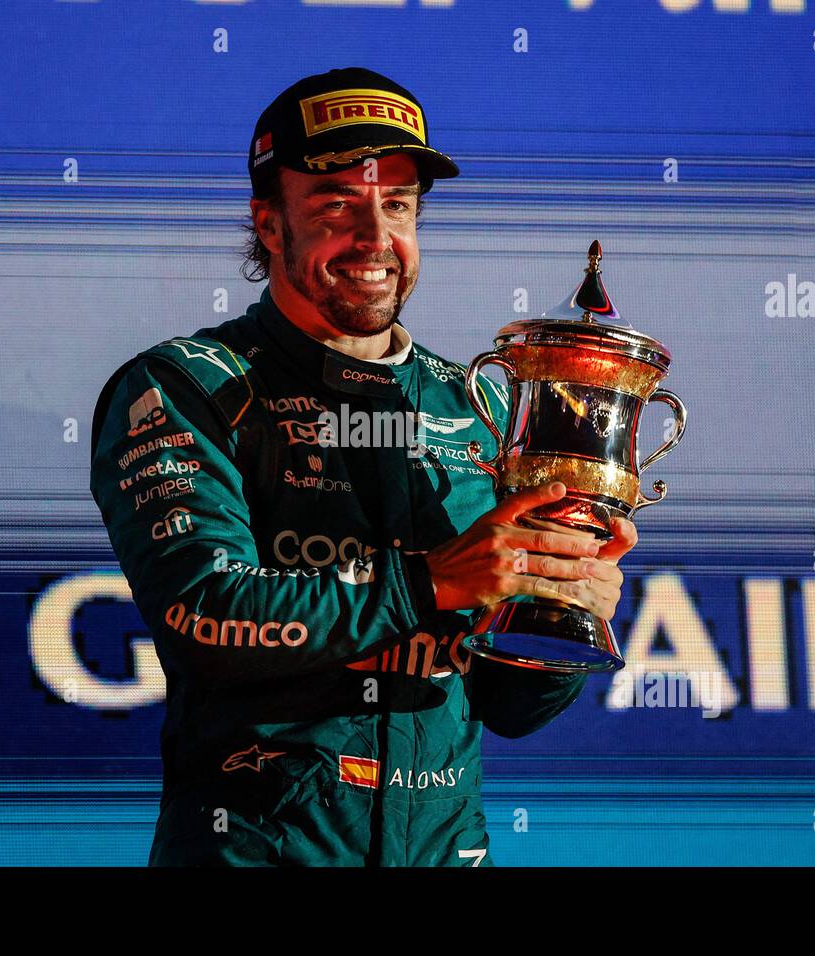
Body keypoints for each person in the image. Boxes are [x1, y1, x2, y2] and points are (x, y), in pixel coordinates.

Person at [89, 67, 636, 867]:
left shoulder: (478, 403)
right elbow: (203, 611)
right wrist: (431, 582)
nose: (376, 238)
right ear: (269, 225)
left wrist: (561, 608)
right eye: (337, 203)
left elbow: (509, 706)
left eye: (399, 204)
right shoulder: (185, 386)